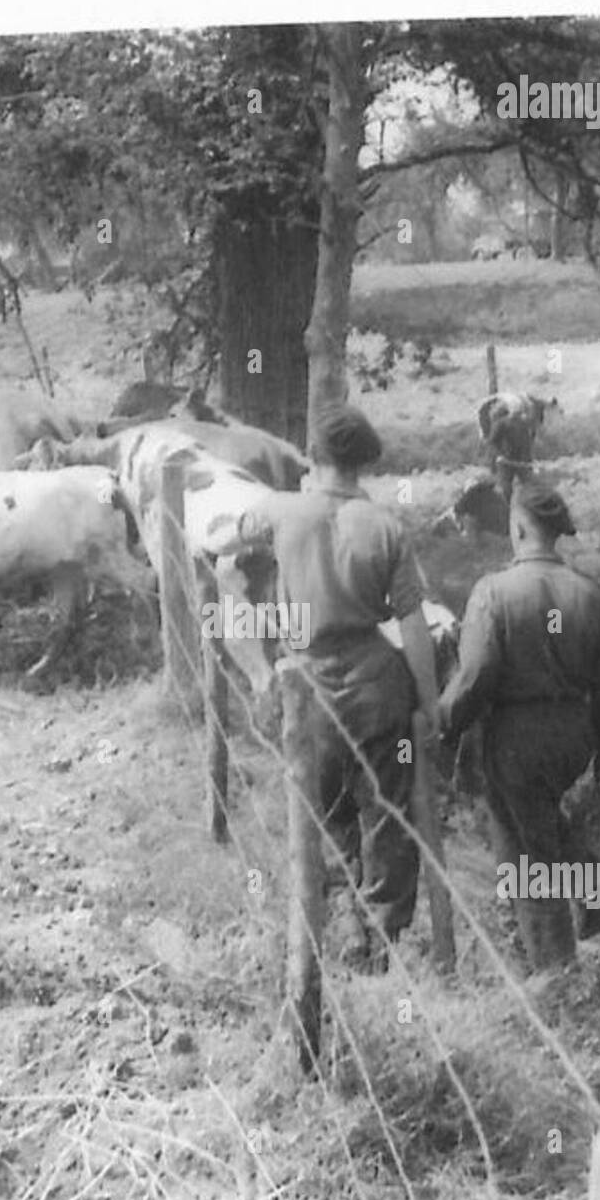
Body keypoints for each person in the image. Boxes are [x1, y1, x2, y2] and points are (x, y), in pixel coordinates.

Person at [234, 403, 441, 972]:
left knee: (322, 807)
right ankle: (380, 937)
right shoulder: (385, 526)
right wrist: (428, 700)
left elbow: (230, 536)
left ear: (316, 457)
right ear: (361, 464)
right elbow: (413, 623)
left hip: (309, 684)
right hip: (377, 681)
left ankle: (342, 921)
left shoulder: (283, 512)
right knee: (387, 809)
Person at [440, 480, 600, 971]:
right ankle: (594, 899)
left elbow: (476, 678)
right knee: (549, 829)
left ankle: (556, 979)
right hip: (575, 735)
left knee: (527, 863)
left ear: (520, 527)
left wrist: (440, 725)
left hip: (515, 741)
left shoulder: (493, 592)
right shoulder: (589, 594)